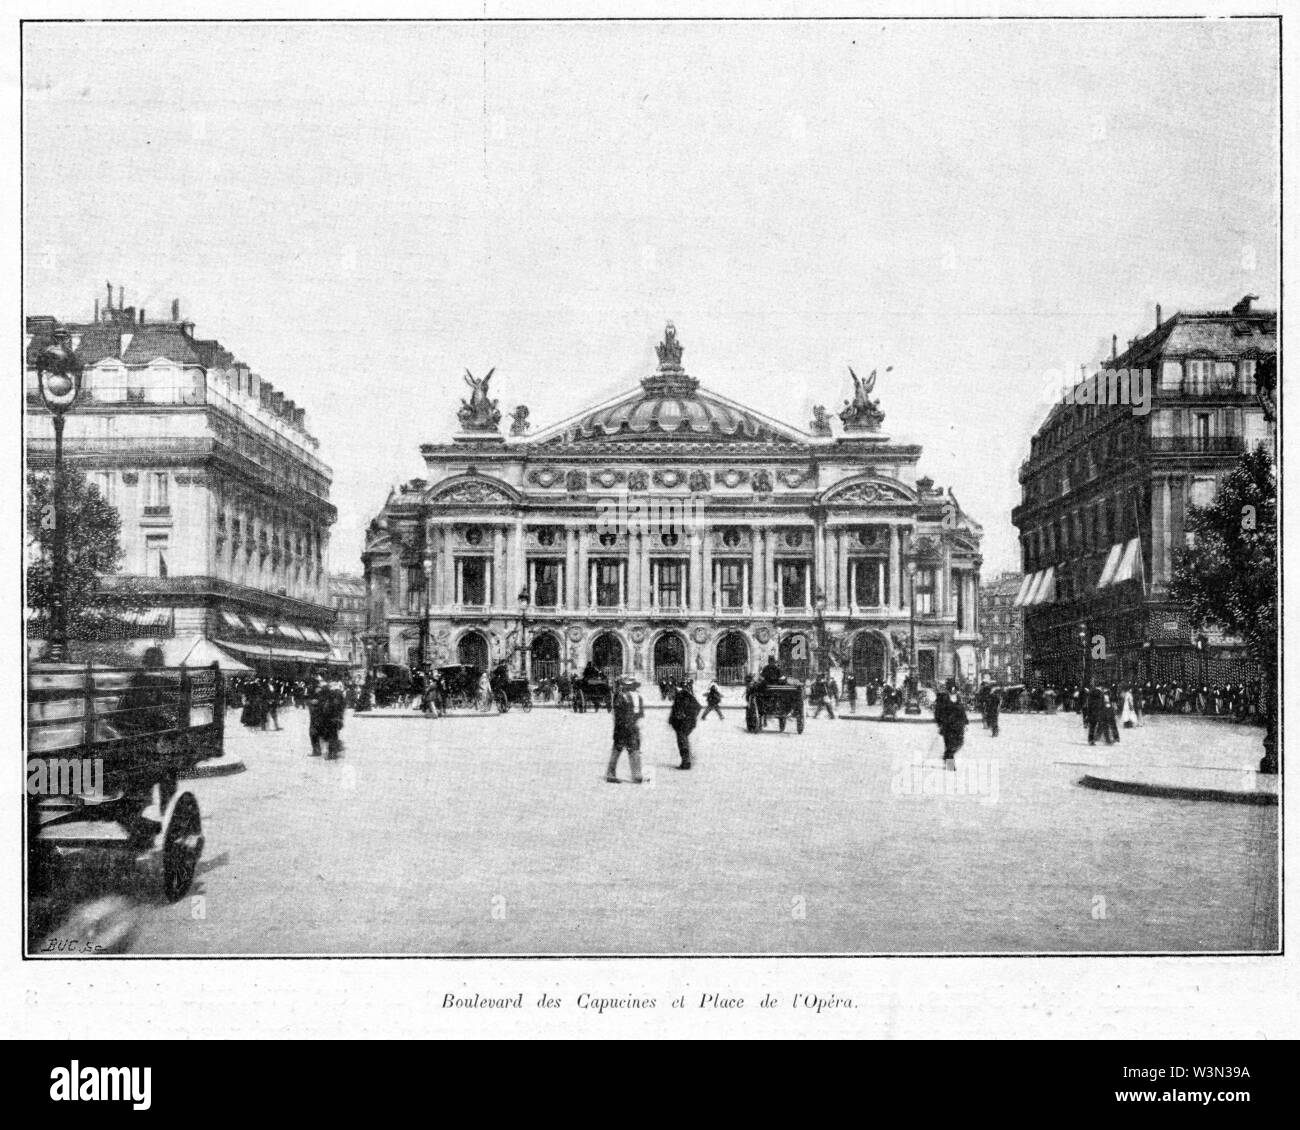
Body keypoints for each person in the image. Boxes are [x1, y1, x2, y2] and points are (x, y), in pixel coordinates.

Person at [606, 676, 645, 784]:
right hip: (622, 728)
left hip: (633, 728)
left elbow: (640, 714)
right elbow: (618, 714)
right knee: (617, 751)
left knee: (635, 750)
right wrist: (624, 724)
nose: (631, 688)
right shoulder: (621, 697)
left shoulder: (639, 697)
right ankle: (610, 773)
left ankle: (637, 775)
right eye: (629, 686)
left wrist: (637, 725)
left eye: (632, 686)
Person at [668, 681, 702, 769]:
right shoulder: (686, 695)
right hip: (685, 723)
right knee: (684, 741)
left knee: (682, 742)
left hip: (682, 724)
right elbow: (697, 707)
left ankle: (686, 762)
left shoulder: (682, 696)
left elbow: (696, 707)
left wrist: (686, 716)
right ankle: (687, 760)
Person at [934, 687, 968, 768]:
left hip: (954, 727)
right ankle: (950, 765)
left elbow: (962, 713)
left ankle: (947, 757)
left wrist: (965, 722)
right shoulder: (945, 704)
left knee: (954, 744)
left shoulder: (956, 702)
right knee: (952, 745)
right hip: (951, 727)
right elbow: (938, 716)